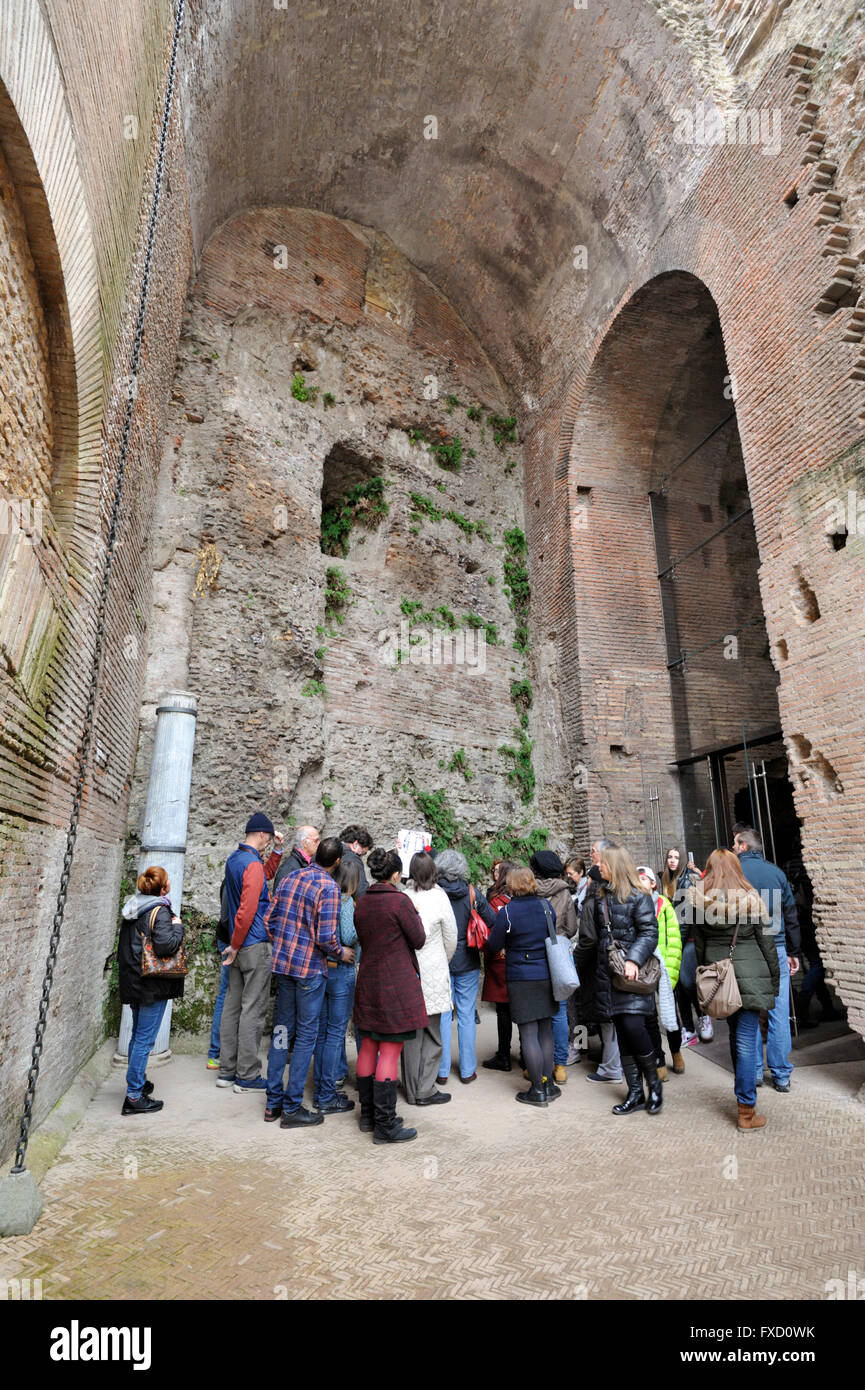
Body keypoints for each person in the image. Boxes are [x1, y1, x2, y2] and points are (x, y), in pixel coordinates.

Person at [264, 837, 354, 1126]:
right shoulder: (328, 888)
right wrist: (343, 953)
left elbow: (269, 920)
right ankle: (292, 1107)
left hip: (283, 966)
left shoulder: (290, 877)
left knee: (281, 1031)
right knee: (305, 1037)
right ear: (337, 861)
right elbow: (326, 938)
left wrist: (284, 943)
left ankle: (272, 1102)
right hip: (309, 972)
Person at [687, 849, 778, 1130]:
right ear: (737, 869)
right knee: (747, 1039)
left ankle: (743, 1101)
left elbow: (699, 946)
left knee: (737, 1038)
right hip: (750, 977)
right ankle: (746, 1110)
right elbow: (767, 944)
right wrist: (774, 978)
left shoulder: (699, 903)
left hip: (721, 979)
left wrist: (707, 973)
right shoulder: (752, 900)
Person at [353, 847, 428, 1143]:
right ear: (396, 875)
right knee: (390, 1050)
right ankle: (385, 1126)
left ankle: (368, 1116)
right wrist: (416, 916)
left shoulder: (362, 903)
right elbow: (419, 940)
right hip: (395, 984)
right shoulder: (400, 901)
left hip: (368, 980)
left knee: (369, 1046)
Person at [582, 845, 660, 1115]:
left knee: (634, 1027)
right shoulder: (603, 894)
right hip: (609, 974)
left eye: (602, 862)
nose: (598, 865)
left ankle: (655, 1086)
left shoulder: (639, 895)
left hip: (632, 974)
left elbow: (650, 932)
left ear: (614, 866)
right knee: (623, 1033)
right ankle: (636, 1092)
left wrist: (633, 959)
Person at [217, 814, 284, 1093]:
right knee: (252, 1010)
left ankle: (227, 1071)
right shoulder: (253, 864)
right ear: (260, 835)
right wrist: (235, 943)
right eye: (269, 840)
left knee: (232, 1008)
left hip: (238, 944)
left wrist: (278, 852)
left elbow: (262, 875)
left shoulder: (235, 859)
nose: (269, 844)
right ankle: (247, 1074)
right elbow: (246, 910)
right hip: (252, 944)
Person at [485, 865, 560, 1106]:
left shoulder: (507, 912)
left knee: (528, 1033)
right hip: (546, 975)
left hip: (521, 976)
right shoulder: (546, 906)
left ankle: (537, 1090)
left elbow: (494, 945)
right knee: (546, 1031)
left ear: (512, 885)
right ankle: (549, 1085)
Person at [733, 828, 800, 1093]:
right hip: (777, 946)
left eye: (735, 844)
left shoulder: (734, 874)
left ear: (743, 847)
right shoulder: (777, 873)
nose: (733, 848)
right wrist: (794, 952)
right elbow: (790, 914)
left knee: (748, 1011)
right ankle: (781, 1074)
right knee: (779, 1011)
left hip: (747, 949)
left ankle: (755, 1072)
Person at [119, 866, 186, 1115]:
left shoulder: (134, 907)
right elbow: (166, 945)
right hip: (151, 984)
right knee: (144, 1040)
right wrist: (178, 926)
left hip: (135, 979)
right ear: (164, 887)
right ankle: (134, 1096)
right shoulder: (160, 911)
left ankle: (138, 1081)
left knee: (138, 1035)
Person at [434, 849, 496, 1085]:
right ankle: (468, 1069)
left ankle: (441, 1071)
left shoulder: (434, 892)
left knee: (442, 1014)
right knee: (467, 1014)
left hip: (440, 957)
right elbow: (491, 920)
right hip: (468, 957)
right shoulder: (472, 892)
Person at [400, 851, 458, 1105]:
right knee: (433, 1033)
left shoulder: (403, 896)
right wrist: (441, 960)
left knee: (411, 1036)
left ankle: (411, 1089)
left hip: (408, 971)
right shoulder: (439, 896)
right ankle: (425, 1088)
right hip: (433, 968)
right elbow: (451, 937)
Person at [312, 856, 361, 1112]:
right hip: (341, 969)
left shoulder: (324, 896)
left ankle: (321, 1081)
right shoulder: (346, 903)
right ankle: (328, 1089)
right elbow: (349, 936)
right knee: (335, 1032)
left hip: (322, 968)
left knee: (322, 1030)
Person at [574, 838, 623, 1085]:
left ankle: (605, 1063)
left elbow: (589, 939)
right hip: (614, 963)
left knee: (602, 1016)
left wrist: (576, 962)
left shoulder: (597, 900)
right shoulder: (626, 894)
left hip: (600, 965)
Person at [530, 850, 578, 1083]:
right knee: (559, 1012)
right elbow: (572, 927)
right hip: (558, 953)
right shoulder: (565, 891)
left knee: (537, 1012)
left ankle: (536, 1063)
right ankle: (560, 1065)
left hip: (535, 956)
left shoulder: (527, 889)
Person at [638, 866, 684, 1079]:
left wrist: (671, 970)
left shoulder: (664, 905)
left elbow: (674, 940)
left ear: (653, 884)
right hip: (645, 967)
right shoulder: (634, 904)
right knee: (649, 1016)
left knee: (670, 1012)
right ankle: (659, 1059)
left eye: (644, 879)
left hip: (664, 966)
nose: (640, 883)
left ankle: (676, 1052)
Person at [661, 845, 708, 1045]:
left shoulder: (686, 880)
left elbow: (685, 919)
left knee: (688, 984)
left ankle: (703, 1017)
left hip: (686, 940)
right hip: (674, 940)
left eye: (676, 857)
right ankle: (689, 1029)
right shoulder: (666, 881)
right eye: (669, 857)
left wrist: (676, 944)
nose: (672, 860)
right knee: (679, 987)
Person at [481, 860, 516, 1071]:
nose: (493, 873)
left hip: (500, 958)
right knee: (517, 1007)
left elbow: (492, 929)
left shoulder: (495, 901)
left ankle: (504, 1055)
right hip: (517, 958)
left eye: (496, 870)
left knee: (503, 1009)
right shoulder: (519, 898)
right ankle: (524, 1053)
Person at [273, 825, 320, 891]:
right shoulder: (288, 869)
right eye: (316, 841)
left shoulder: (310, 863)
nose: (319, 843)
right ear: (305, 843)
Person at [340, 824, 373, 897]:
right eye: (363, 853)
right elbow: (361, 892)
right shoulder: (353, 859)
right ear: (355, 845)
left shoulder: (329, 848)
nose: (361, 858)